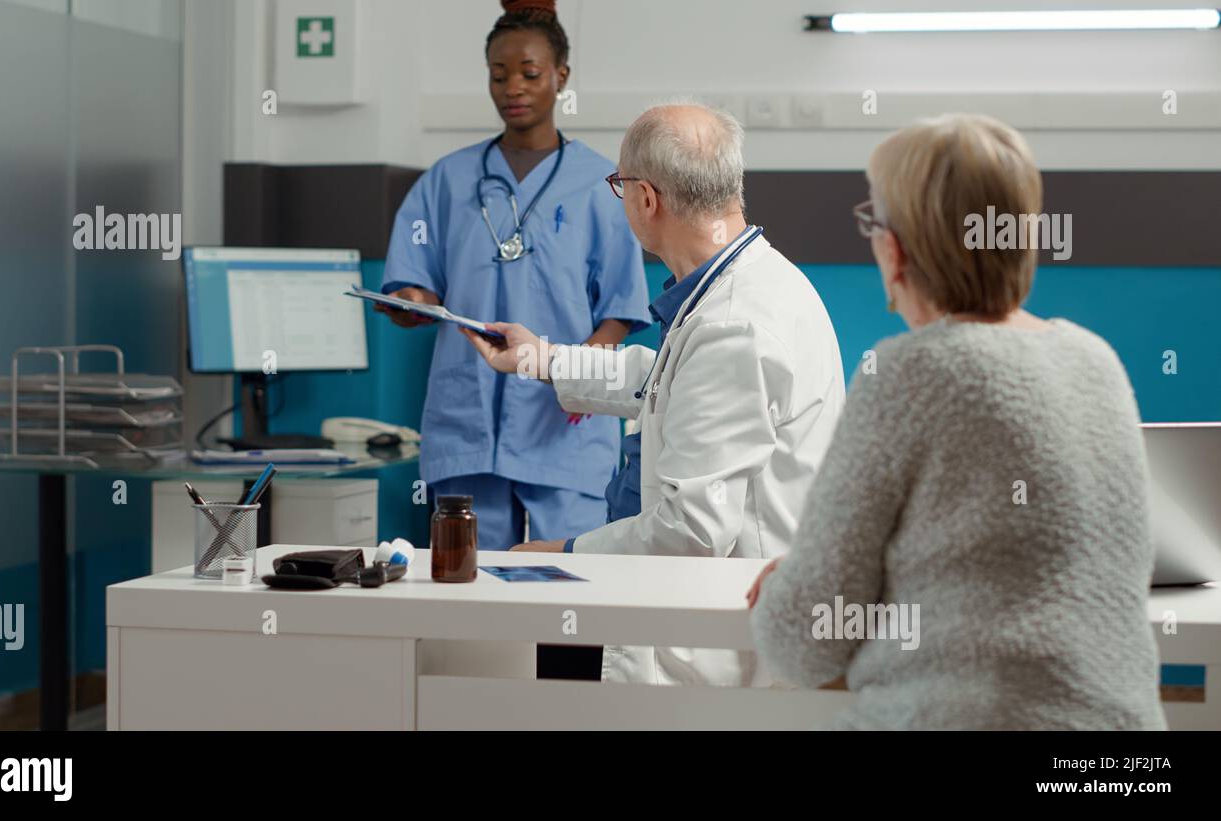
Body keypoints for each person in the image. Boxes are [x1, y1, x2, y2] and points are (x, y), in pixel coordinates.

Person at [747, 114, 1168, 730]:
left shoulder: (909, 373)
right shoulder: (1094, 360)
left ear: (895, 251)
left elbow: (805, 640)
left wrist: (791, 587)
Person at [464, 102, 846, 687]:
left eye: (620, 187)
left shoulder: (733, 324)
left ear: (646, 199)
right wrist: (541, 358)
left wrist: (561, 554)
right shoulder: (744, 287)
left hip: (716, 653)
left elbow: (692, 530)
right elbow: (667, 381)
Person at [378, 0, 650, 552]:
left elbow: (621, 309)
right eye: (498, 75)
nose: (513, 88)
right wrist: (411, 302)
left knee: (575, 584)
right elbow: (418, 284)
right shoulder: (447, 180)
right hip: (468, 420)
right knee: (468, 590)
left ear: (561, 77)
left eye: (529, 73)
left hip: (563, 421)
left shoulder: (602, 183)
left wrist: (579, 380)